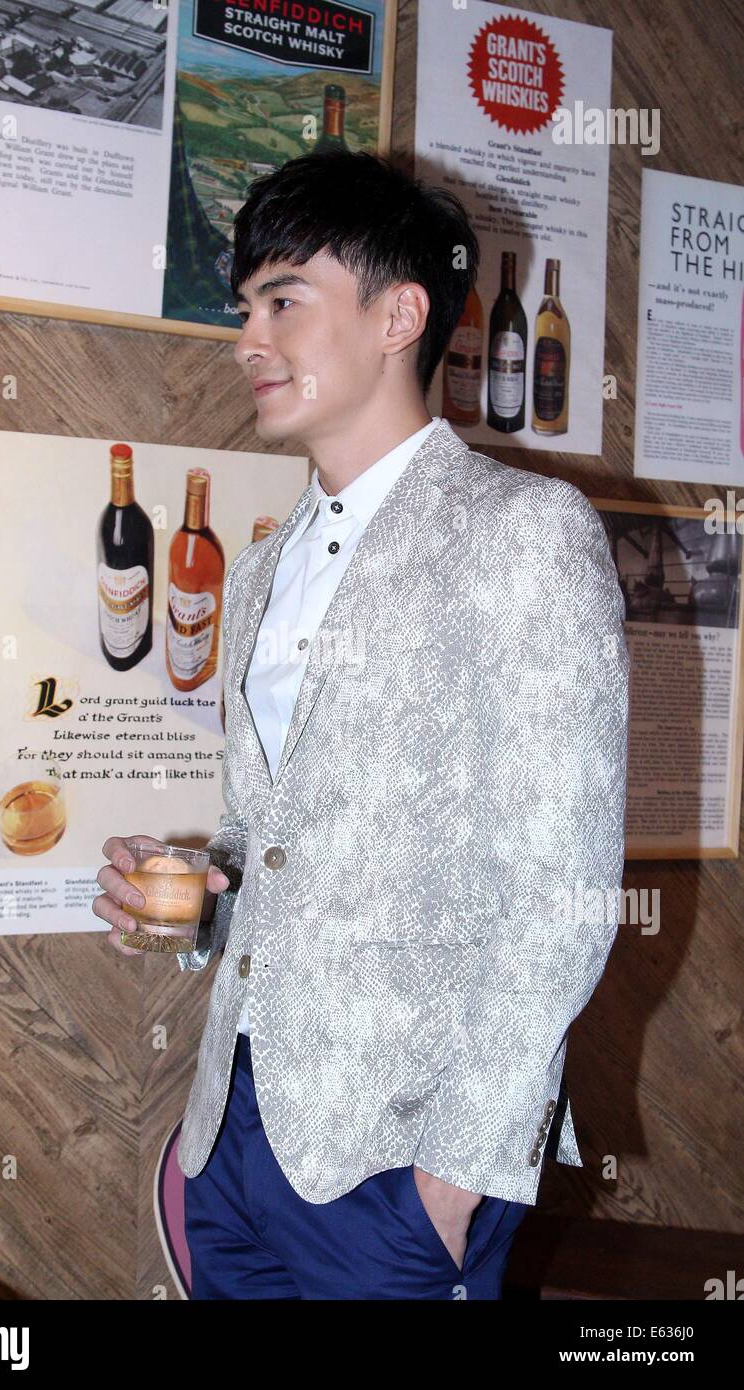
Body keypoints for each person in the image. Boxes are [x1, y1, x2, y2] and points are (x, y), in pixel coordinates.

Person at [93, 150, 630, 1300]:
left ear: (399, 314)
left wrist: (452, 1180)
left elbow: (561, 895)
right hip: (226, 1137)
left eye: (283, 299)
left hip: (397, 1163)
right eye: (244, 307)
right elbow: (265, 839)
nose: (248, 337)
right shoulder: (259, 571)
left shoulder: (523, 534)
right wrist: (189, 892)